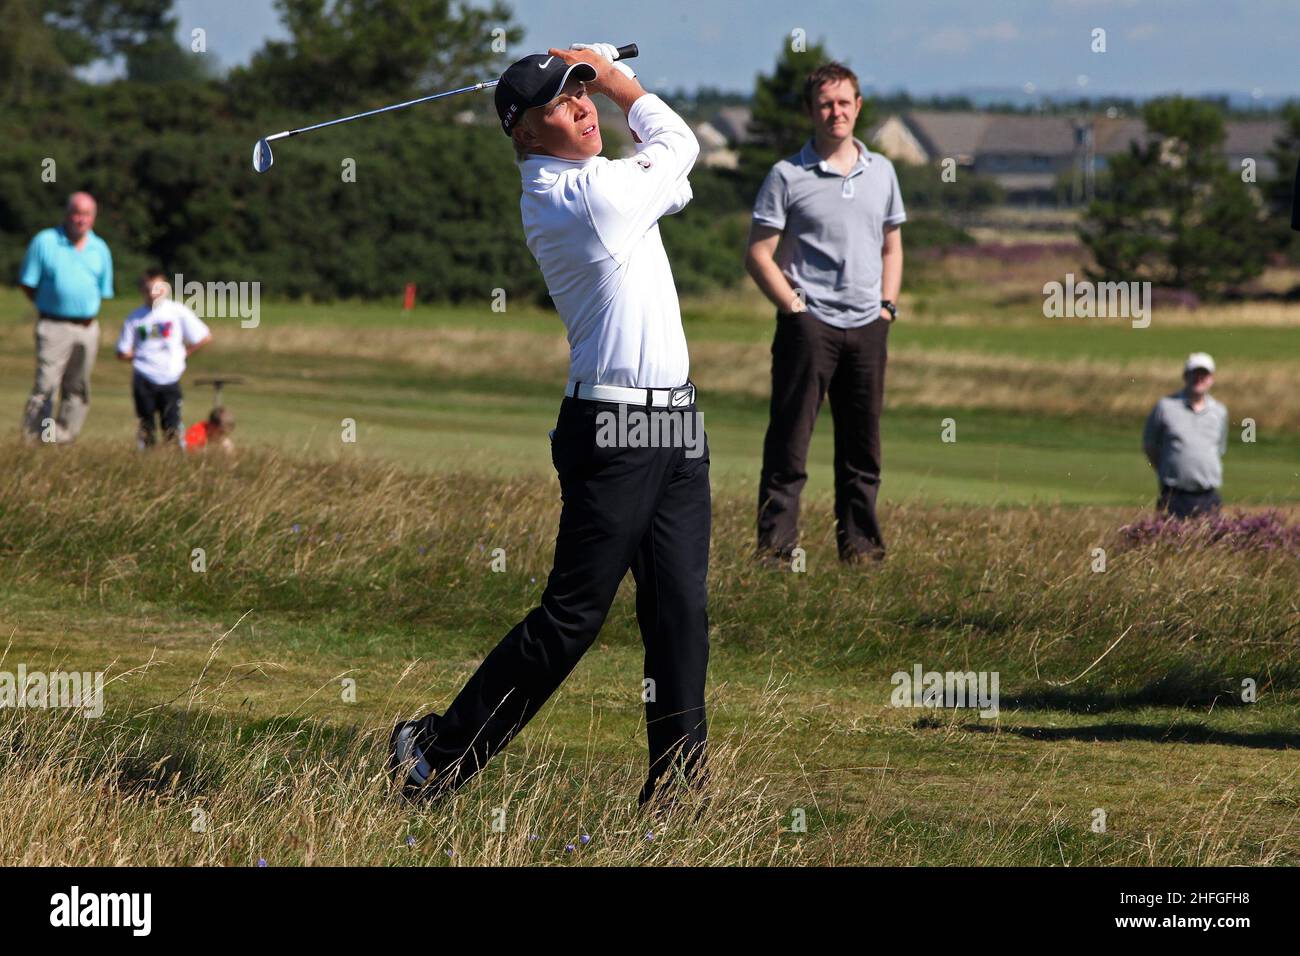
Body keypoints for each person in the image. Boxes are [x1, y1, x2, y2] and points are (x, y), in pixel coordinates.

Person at [390, 43, 710, 812]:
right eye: (563, 103)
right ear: (526, 135)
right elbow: (681, 146)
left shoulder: (601, 187)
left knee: (680, 616)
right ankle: (434, 753)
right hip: (614, 428)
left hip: (676, 425)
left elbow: (675, 181)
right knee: (572, 619)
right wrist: (614, 73)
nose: (583, 108)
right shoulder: (582, 199)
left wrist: (593, 78)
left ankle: (676, 792)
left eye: (584, 95)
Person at [746, 62, 906, 565]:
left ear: (858, 107)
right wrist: (794, 307)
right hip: (809, 326)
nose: (835, 112)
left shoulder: (882, 171)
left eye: (844, 102)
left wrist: (886, 307)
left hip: (868, 325)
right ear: (811, 111)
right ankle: (776, 553)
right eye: (825, 104)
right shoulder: (786, 175)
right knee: (790, 446)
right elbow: (758, 253)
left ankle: (861, 553)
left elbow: (892, 247)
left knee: (863, 451)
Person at [19, 192, 114, 444]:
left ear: (93, 218)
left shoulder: (100, 248)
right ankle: (33, 439)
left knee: (78, 387)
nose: (80, 219)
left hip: (87, 327)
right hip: (53, 325)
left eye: (86, 214)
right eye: (76, 212)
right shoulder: (45, 241)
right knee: (45, 385)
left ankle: (63, 439)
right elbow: (28, 283)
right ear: (67, 213)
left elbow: (102, 290)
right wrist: (49, 305)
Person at [116, 269, 212, 448]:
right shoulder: (135, 317)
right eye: (148, 289)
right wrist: (143, 357)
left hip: (170, 376)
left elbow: (203, 336)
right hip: (144, 376)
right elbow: (122, 351)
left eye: (158, 288)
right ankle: (147, 459)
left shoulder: (177, 311)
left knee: (172, 423)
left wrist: (185, 353)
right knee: (146, 424)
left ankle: (175, 460)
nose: (153, 294)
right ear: (142, 290)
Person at [1142, 352, 1228, 519]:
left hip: (1207, 495)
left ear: (1211, 378)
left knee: (1211, 542)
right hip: (1174, 494)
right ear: (1185, 376)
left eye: (1204, 374)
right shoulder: (1165, 407)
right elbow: (1150, 445)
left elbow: (1220, 448)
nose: (1199, 378)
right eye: (1194, 373)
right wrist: (1164, 469)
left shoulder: (1219, 411)